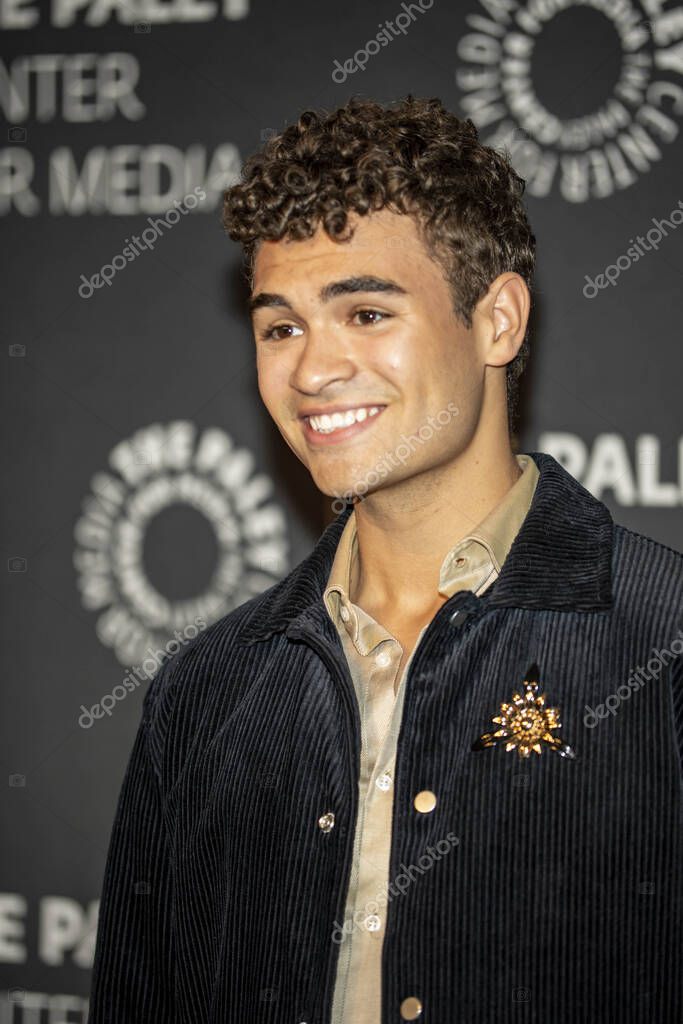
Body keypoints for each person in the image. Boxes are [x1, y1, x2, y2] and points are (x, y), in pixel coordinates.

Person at [87, 95, 683, 1023]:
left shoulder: (663, 644)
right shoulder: (202, 690)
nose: (312, 370)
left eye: (364, 312)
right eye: (280, 326)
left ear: (498, 322)